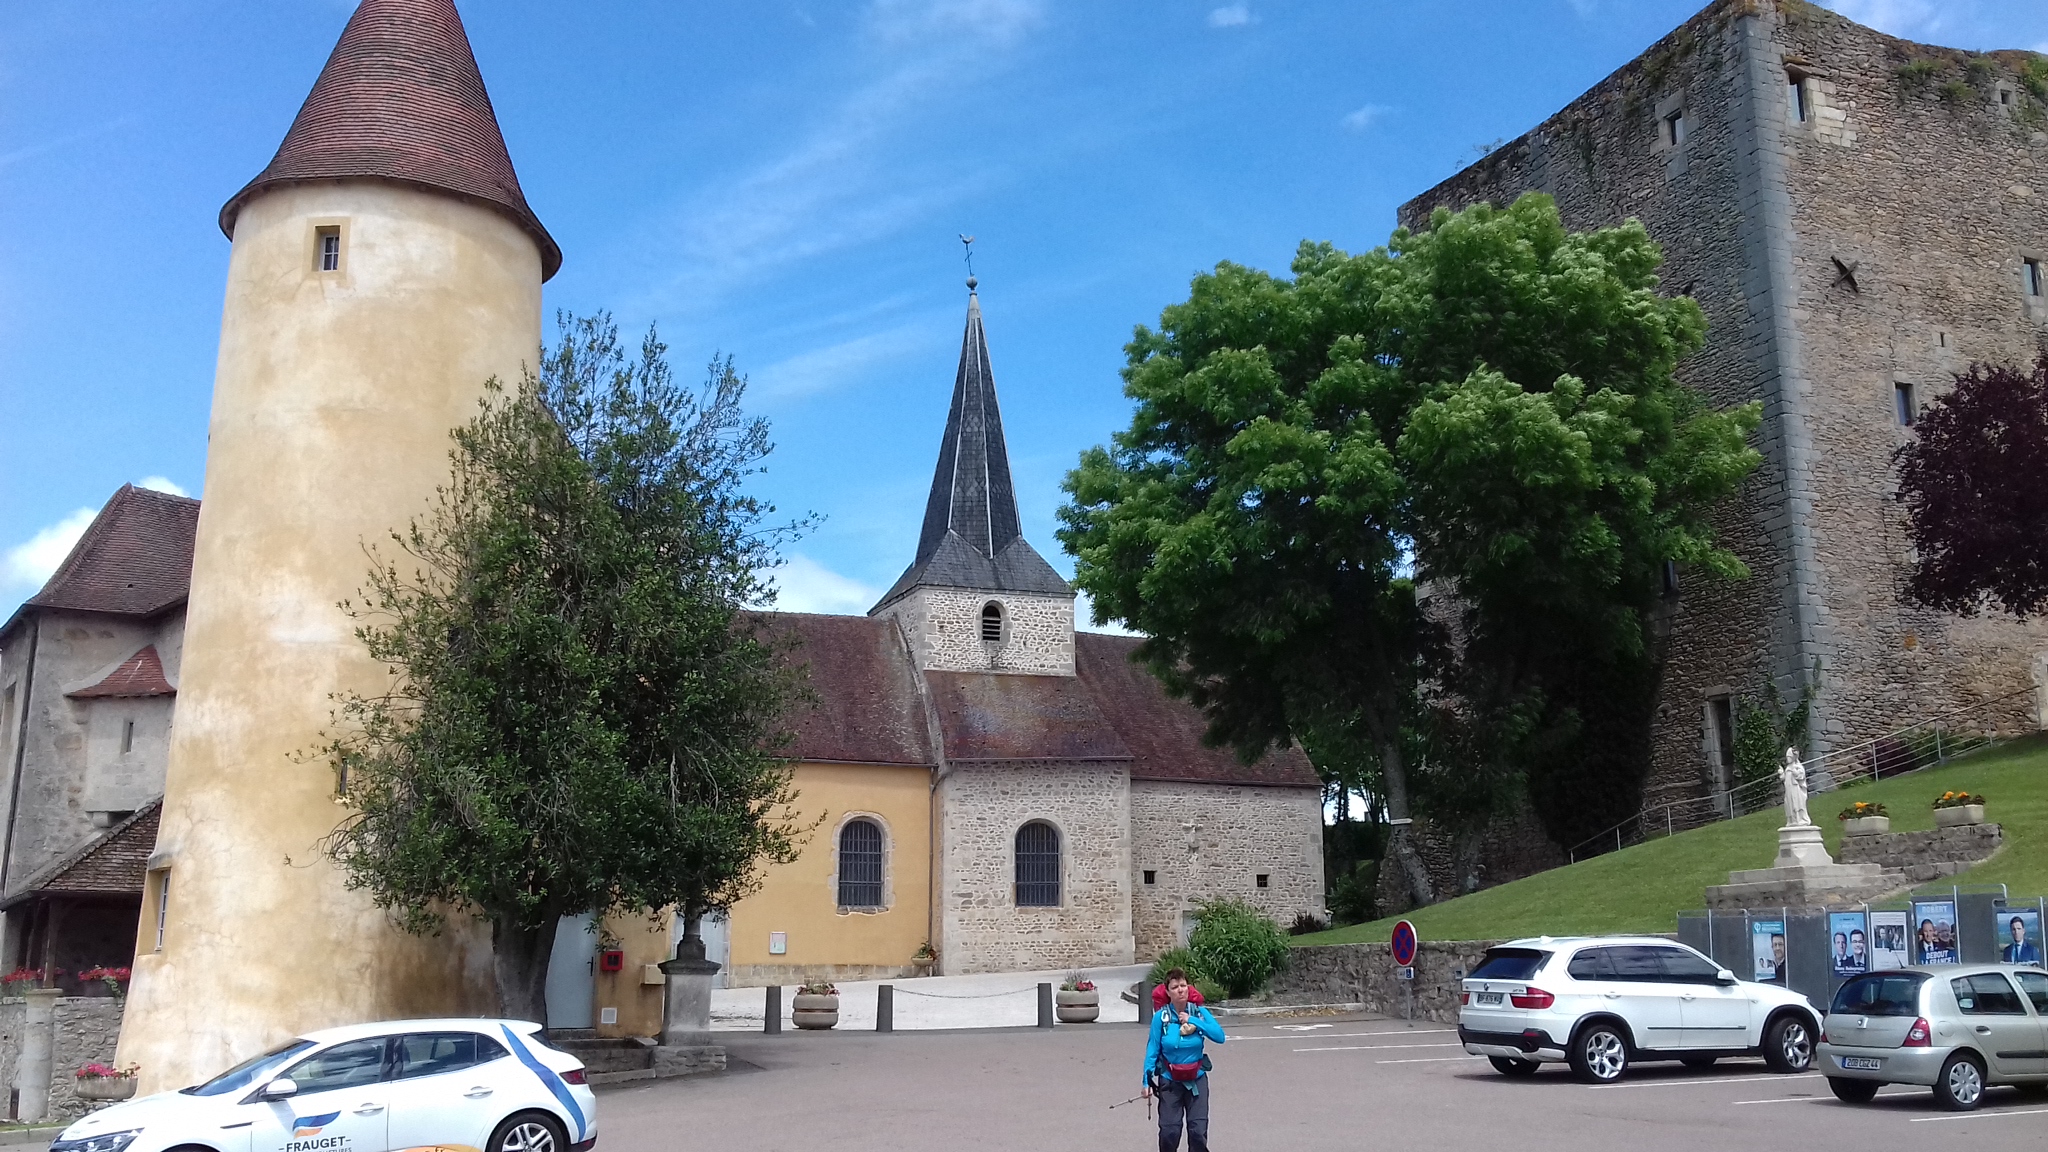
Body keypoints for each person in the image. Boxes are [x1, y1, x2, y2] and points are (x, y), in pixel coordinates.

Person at [1142, 969, 1226, 1152]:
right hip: (1170, 1081)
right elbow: (1153, 1049)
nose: (1180, 990)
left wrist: (1194, 1021)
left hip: (1196, 1079)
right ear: (1168, 992)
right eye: (1175, 987)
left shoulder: (1200, 1012)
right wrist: (1146, 1081)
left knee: (1197, 1132)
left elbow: (1220, 1037)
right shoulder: (1161, 1018)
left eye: (1183, 985)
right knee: (1169, 1132)